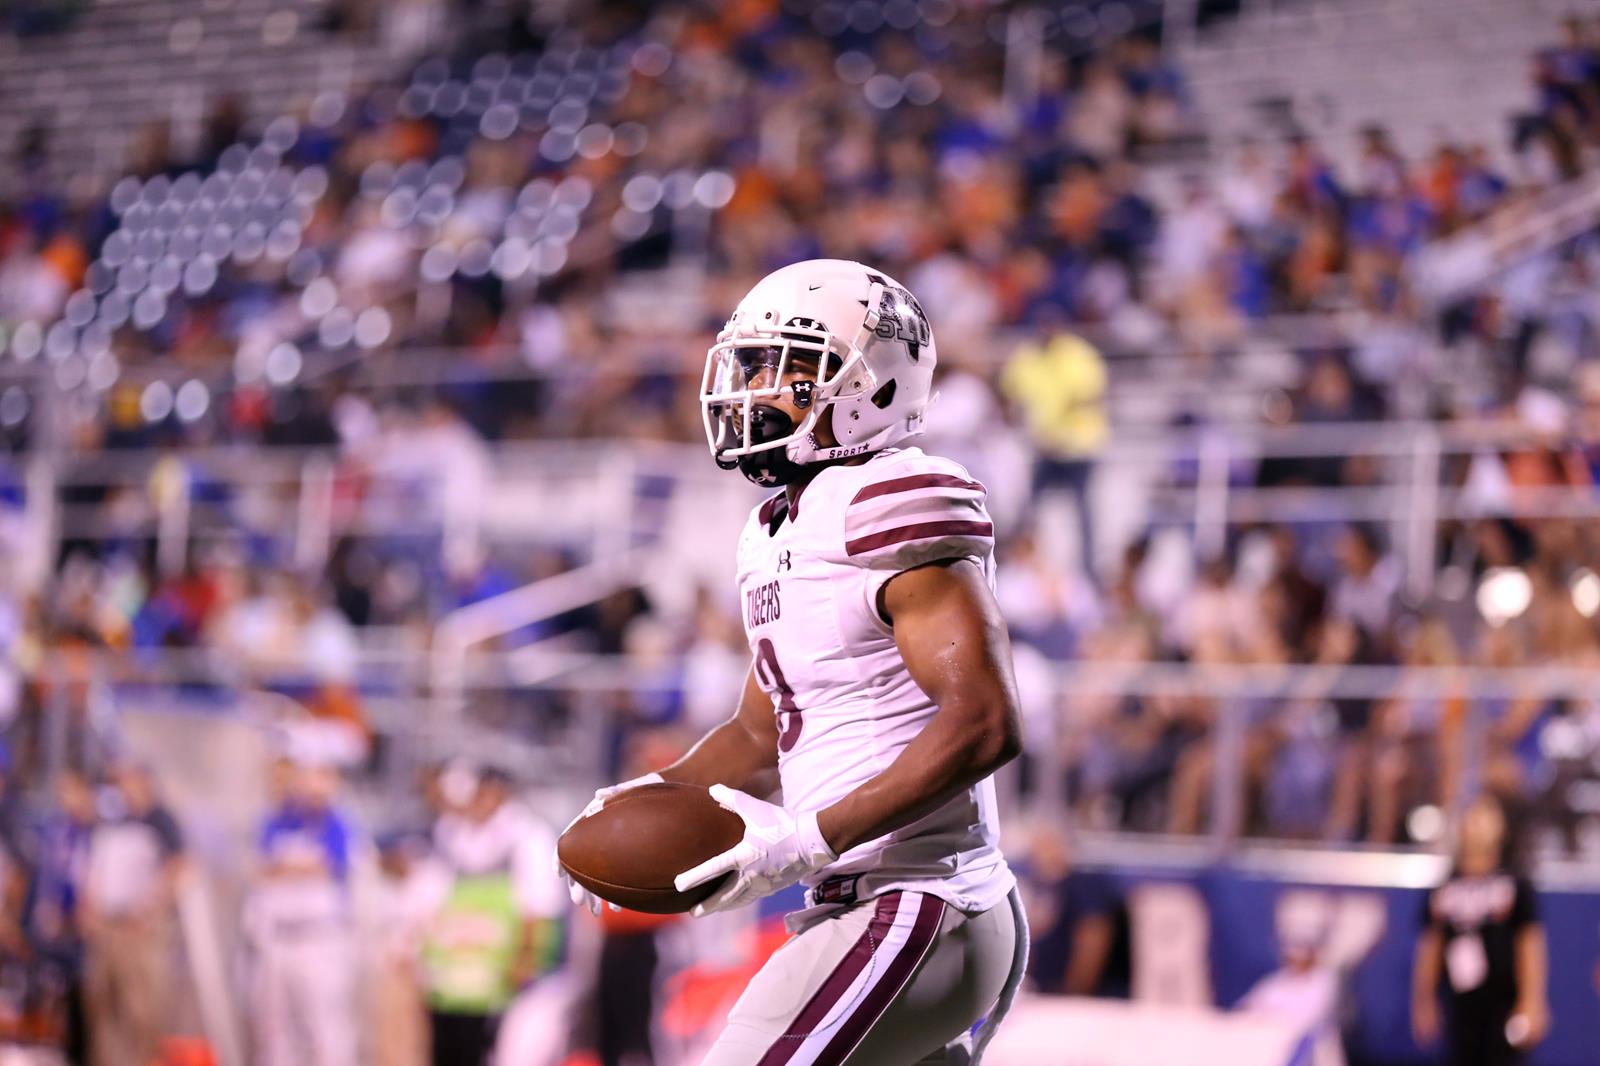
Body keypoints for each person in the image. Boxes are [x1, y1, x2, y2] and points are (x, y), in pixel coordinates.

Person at [563, 260, 1029, 1064]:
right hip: (868, 903)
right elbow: (761, 733)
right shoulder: (775, 529)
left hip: (919, 896)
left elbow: (985, 722)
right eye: (750, 366)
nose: (753, 389)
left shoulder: (890, 497)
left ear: (872, 387)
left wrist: (807, 840)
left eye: (783, 368)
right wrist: (656, 792)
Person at [426, 765, 563, 1066]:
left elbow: (539, 905)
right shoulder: (453, 833)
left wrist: (524, 959)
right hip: (455, 973)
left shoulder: (527, 836)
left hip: (503, 973)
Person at [1413, 793, 1551, 1066]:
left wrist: (1533, 1001)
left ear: (1502, 827)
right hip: (1460, 1003)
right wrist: (1424, 1002)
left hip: (1504, 1001)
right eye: (1473, 815)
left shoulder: (1514, 884)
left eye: (1487, 815)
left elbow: (1529, 943)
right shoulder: (1446, 886)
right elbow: (1431, 946)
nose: (1478, 823)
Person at [244, 760, 358, 1066]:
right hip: (278, 937)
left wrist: (286, 868)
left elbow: (329, 865)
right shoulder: (276, 821)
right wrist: (291, 868)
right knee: (273, 1029)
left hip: (317, 939)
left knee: (325, 1027)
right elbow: (262, 868)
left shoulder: (333, 822)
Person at [81, 761, 185, 1066]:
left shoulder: (159, 819)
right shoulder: (112, 820)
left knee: (142, 1007)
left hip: (139, 929)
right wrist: (90, 907)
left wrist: (152, 908)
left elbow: (180, 867)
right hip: (108, 925)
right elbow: (97, 867)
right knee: (102, 1002)